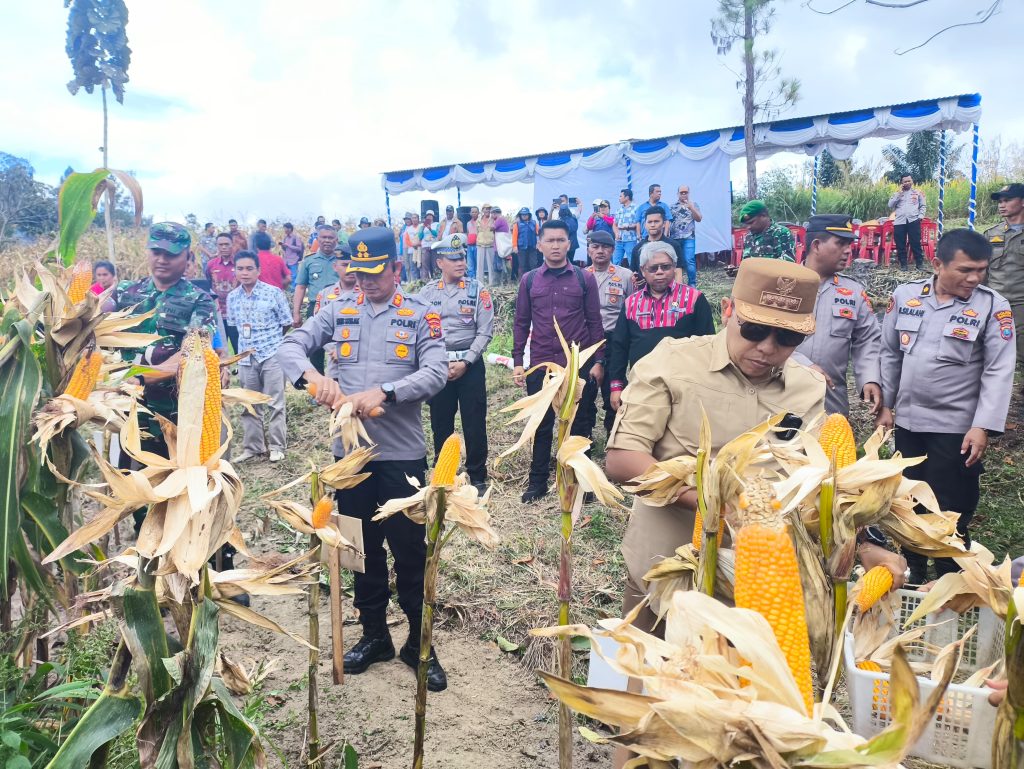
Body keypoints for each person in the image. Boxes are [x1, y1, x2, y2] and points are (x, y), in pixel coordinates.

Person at [604, 257, 904, 769]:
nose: (767, 349)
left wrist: (868, 540)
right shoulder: (672, 361)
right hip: (669, 571)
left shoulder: (807, 388)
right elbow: (622, 459)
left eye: (785, 339)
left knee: (740, 726)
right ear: (727, 311)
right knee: (650, 717)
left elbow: (819, 483)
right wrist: (720, 499)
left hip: (760, 584)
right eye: (756, 330)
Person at [276, 227, 449, 691]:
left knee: (411, 551)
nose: (367, 281)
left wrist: (387, 391)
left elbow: (436, 372)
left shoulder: (420, 316)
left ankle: (419, 642)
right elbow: (291, 347)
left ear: (397, 267)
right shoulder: (338, 309)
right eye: (359, 272)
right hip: (350, 459)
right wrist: (314, 379)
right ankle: (375, 635)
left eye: (377, 272)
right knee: (357, 549)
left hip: (400, 456)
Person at [878, 228, 1016, 583]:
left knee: (950, 506)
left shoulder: (991, 306)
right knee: (909, 501)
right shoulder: (906, 296)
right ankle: (913, 570)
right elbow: (890, 354)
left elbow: (998, 370)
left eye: (981, 270)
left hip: (955, 427)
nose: (974, 278)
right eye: (966, 270)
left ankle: (950, 578)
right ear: (937, 264)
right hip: (909, 423)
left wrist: (982, 426)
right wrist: (886, 405)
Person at [512, 219, 605, 502]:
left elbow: (594, 322)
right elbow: (521, 322)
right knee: (541, 425)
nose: (555, 245)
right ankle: (537, 482)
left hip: (576, 364)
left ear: (570, 243)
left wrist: (598, 361)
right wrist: (518, 360)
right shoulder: (529, 280)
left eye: (561, 240)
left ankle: (581, 481)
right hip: (541, 364)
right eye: (549, 240)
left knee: (580, 424)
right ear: (539, 244)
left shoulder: (583, 279)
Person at [419, 234, 494, 492]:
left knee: (474, 421)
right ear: (440, 262)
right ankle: (444, 474)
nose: (460, 262)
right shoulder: (427, 293)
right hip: (438, 365)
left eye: (462, 257)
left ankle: (478, 475)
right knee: (441, 421)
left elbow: (485, 331)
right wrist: (436, 362)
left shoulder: (477, 290)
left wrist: (466, 362)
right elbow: (422, 332)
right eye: (453, 259)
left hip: (469, 365)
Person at [792, 215, 884, 419]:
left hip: (831, 398)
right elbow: (763, 336)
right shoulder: (784, 284)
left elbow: (867, 340)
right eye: (841, 243)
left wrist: (870, 378)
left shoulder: (853, 292)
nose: (848, 250)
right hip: (783, 391)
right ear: (816, 245)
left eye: (850, 244)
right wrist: (802, 365)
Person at [608, 240, 716, 412]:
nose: (659, 272)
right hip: (642, 385)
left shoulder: (694, 298)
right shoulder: (631, 303)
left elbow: (708, 345)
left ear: (674, 267)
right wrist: (616, 386)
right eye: (653, 268)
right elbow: (620, 346)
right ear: (643, 270)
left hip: (684, 386)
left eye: (665, 267)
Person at [226, 251, 292, 463]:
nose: (244, 273)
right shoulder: (232, 297)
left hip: (272, 353)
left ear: (258, 271)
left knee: (274, 402)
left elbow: (286, 322)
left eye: (249, 269)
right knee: (249, 404)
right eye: (240, 269)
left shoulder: (273, 293)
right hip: (246, 357)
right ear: (235, 271)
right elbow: (234, 327)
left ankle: (276, 446)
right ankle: (253, 447)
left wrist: (273, 343)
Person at [576, 231, 634, 437]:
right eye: (595, 247)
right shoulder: (579, 275)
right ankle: (585, 437)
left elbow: (632, 309)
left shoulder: (626, 276)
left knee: (614, 389)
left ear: (612, 250)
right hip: (586, 342)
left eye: (605, 247)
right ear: (588, 250)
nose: (600, 251)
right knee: (584, 392)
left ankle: (614, 436)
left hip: (613, 340)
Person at [983, 183, 1024, 369]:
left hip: (1021, 305)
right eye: (1000, 201)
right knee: (991, 354)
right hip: (995, 303)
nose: (1002, 205)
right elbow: (982, 270)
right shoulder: (991, 234)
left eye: (1007, 200)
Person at [628, 206, 685, 286]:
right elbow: (633, 273)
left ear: (664, 224)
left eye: (656, 221)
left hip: (669, 292)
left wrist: (678, 293)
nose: (653, 225)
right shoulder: (637, 249)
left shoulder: (674, 246)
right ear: (645, 224)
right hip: (645, 293)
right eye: (650, 222)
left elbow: (678, 272)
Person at [204, 233, 240, 352]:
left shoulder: (239, 264)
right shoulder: (211, 265)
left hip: (235, 314)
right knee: (218, 351)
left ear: (232, 245)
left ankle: (240, 371)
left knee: (239, 348)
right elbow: (208, 285)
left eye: (226, 244)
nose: (224, 247)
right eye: (221, 245)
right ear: (217, 246)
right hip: (217, 314)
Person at [888, 174, 927, 269]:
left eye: (909, 181)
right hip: (899, 222)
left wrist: (920, 216)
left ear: (912, 181)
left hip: (913, 220)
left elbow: (923, 206)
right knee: (900, 244)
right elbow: (890, 205)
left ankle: (919, 264)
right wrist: (899, 194)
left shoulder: (917, 193)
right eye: (905, 181)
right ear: (901, 183)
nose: (907, 183)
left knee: (916, 242)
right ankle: (904, 265)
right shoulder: (897, 193)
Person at [669, 185, 703, 286]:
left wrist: (691, 208)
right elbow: (668, 221)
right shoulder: (672, 206)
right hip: (675, 238)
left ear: (689, 193)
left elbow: (699, 219)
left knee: (689, 261)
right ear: (677, 194)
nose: (684, 194)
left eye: (686, 192)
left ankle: (692, 284)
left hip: (689, 238)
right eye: (681, 192)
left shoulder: (694, 204)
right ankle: (677, 284)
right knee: (675, 262)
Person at [612, 188, 639, 267]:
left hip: (631, 240)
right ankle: (614, 278)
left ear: (627, 197)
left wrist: (628, 227)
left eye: (621, 196)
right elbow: (614, 224)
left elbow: (638, 224)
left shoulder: (636, 208)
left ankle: (633, 277)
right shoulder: (619, 210)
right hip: (619, 240)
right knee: (615, 262)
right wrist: (616, 233)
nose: (619, 198)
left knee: (632, 261)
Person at [511, 207, 539, 278]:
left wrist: (538, 243)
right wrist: (515, 246)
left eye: (526, 214)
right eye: (522, 214)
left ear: (529, 215)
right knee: (522, 265)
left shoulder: (534, 223)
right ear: (520, 215)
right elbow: (514, 236)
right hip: (521, 248)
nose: (524, 216)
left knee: (533, 265)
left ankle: (534, 281)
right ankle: (522, 282)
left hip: (532, 248)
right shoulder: (517, 224)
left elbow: (538, 234)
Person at [279, 222, 305, 289]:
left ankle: (293, 292)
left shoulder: (296, 238)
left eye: (285, 228)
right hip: (286, 260)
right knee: (286, 276)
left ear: (290, 229)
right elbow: (285, 249)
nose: (284, 230)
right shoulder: (285, 238)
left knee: (294, 276)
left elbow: (299, 248)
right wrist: (283, 246)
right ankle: (288, 290)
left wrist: (288, 245)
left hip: (293, 260)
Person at [476, 204, 497, 286]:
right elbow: (477, 231)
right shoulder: (478, 220)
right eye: (486, 209)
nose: (487, 210)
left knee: (491, 265)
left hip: (490, 244)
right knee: (479, 265)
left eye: (489, 209)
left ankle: (492, 283)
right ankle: (479, 283)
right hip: (480, 244)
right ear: (483, 210)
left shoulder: (493, 219)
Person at [419, 210, 439, 281]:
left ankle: (436, 281)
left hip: (434, 247)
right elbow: (420, 237)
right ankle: (425, 282)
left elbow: (437, 234)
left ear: (433, 217)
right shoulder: (422, 226)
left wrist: (430, 229)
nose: (429, 217)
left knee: (435, 266)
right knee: (425, 266)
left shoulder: (436, 224)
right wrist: (423, 228)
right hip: (425, 247)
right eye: (428, 216)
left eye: (430, 216)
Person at [492, 206, 510, 283]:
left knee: (499, 265)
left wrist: (490, 221)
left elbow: (491, 228)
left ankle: (501, 282)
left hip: (500, 247)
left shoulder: (500, 219)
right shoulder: (503, 219)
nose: (491, 216)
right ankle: (502, 282)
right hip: (499, 246)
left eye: (492, 213)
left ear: (495, 213)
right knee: (499, 264)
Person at [466, 206, 479, 279]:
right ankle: (471, 279)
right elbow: (468, 233)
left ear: (478, 213)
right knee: (470, 264)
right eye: (472, 212)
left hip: (477, 245)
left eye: (475, 212)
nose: (474, 213)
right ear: (470, 213)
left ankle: (477, 279)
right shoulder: (468, 223)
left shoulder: (480, 222)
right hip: (470, 246)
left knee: (477, 263)